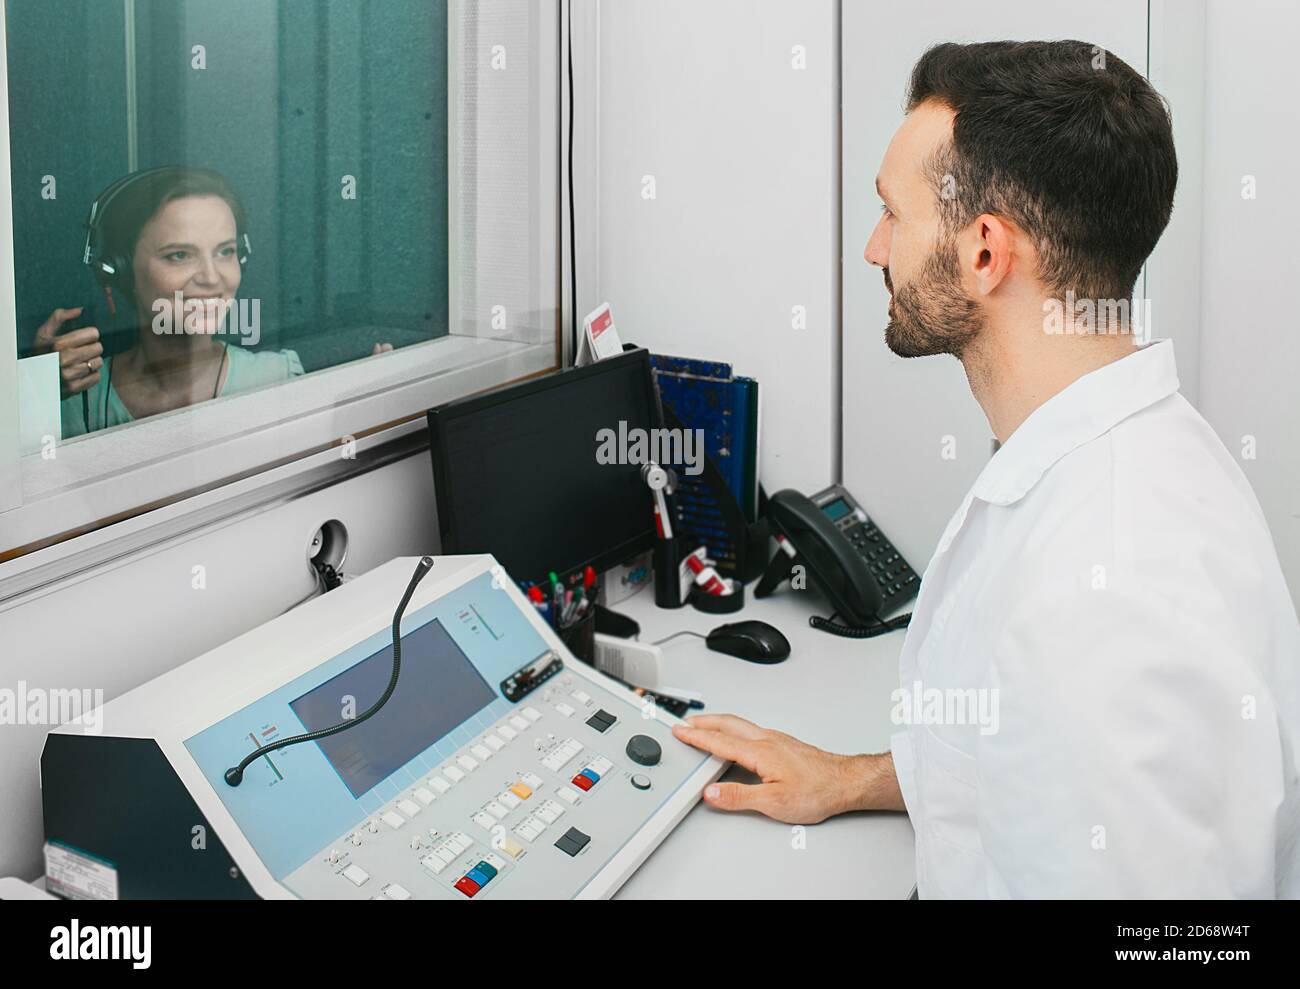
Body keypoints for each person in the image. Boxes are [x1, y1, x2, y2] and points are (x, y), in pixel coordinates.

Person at [674, 41, 1300, 898]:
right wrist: (849, 777)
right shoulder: (1102, 453)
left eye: (893, 213)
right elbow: (1016, 754)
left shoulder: (1106, 586)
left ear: (982, 253)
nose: (873, 247)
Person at [32, 167, 392, 437]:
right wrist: (32, 393)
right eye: (178, 256)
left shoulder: (276, 378)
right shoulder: (75, 400)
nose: (211, 277)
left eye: (225, 252)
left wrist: (365, 419)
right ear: (118, 273)